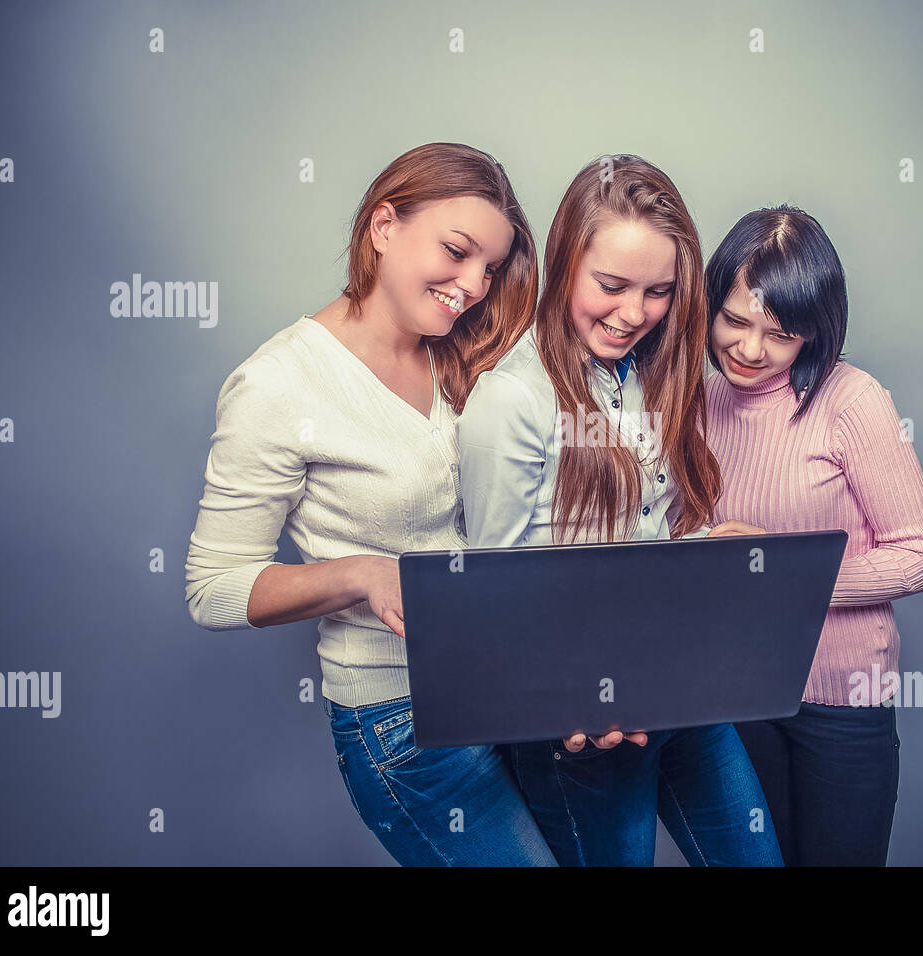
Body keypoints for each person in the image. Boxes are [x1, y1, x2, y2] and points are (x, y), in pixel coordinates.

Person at [184, 142, 559, 865]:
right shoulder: (278, 385)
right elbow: (212, 588)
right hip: (401, 719)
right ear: (383, 225)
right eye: (456, 251)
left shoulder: (467, 353)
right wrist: (361, 573)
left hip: (509, 689)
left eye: (490, 268)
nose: (473, 284)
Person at [456, 154, 782, 866]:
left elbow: (654, 537)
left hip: (682, 691)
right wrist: (565, 699)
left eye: (658, 292)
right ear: (565, 261)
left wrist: (714, 554)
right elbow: (492, 594)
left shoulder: (658, 372)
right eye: (611, 286)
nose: (634, 314)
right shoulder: (512, 399)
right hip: (584, 729)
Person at [702, 204, 923, 865]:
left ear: (814, 332)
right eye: (734, 321)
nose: (750, 350)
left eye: (779, 335)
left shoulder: (853, 400)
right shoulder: (696, 400)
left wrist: (780, 575)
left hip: (843, 701)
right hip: (737, 693)